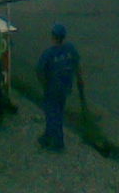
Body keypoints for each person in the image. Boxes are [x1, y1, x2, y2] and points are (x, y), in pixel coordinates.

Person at [35, 22, 83, 153]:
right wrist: (80, 80)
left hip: (52, 89)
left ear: (53, 36)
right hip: (65, 88)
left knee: (52, 114)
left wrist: (44, 84)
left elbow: (39, 70)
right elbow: (77, 65)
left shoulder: (49, 54)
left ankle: (58, 142)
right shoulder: (70, 49)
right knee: (59, 112)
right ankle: (48, 135)